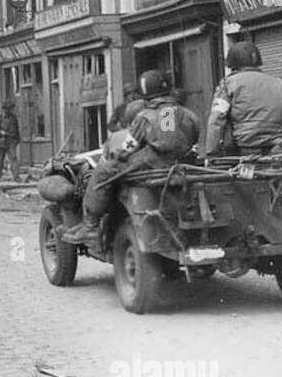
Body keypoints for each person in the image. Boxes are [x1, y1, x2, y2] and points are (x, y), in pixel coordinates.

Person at [58, 69, 201, 249]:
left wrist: (117, 157)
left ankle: (91, 226)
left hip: (152, 165)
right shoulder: (188, 114)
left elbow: (128, 147)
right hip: (184, 165)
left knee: (103, 172)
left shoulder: (145, 116)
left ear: (145, 93)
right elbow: (192, 137)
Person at [204, 40, 282, 157]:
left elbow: (217, 119)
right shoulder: (279, 84)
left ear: (232, 64)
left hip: (244, 151)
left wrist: (212, 152)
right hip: (279, 150)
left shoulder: (228, 84)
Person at [0, 101, 22, 182]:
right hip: (1, 141)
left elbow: (16, 129)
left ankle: (16, 177)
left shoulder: (13, 117)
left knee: (13, 159)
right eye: (9, 109)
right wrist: (0, 132)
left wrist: (17, 139)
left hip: (11, 141)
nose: (10, 111)